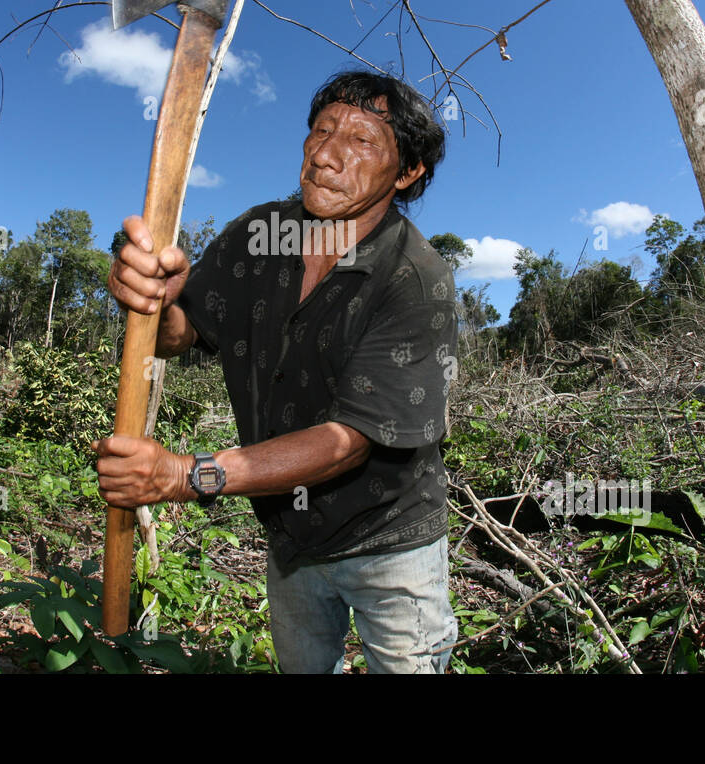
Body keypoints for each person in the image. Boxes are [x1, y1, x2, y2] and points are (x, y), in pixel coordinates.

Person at [97, 69, 459, 673]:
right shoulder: (261, 233)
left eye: (363, 141)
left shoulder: (415, 279)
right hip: (290, 537)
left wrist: (188, 475)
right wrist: (151, 302)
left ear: (407, 172)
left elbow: (347, 442)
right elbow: (185, 332)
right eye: (321, 131)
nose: (325, 155)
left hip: (392, 541)